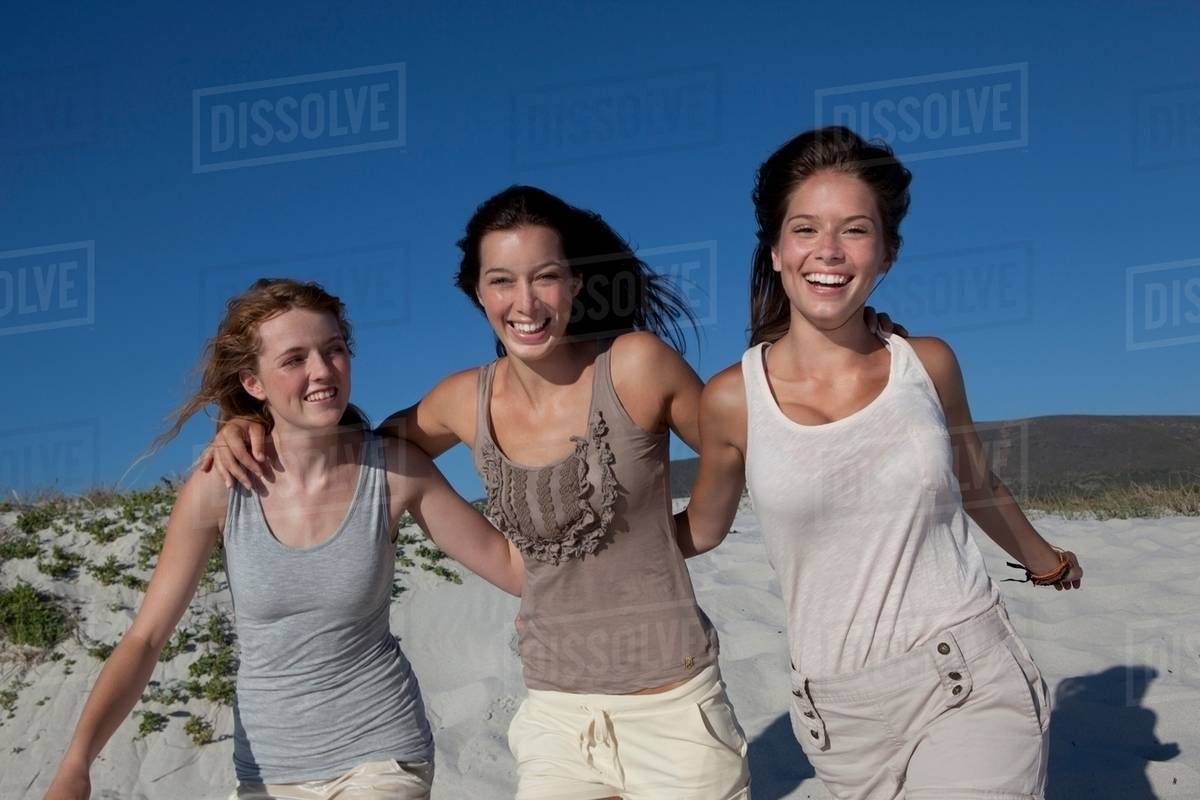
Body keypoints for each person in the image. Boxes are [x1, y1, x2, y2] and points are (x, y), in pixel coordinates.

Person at [205, 187, 754, 799]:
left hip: (674, 706)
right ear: (477, 293)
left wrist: (695, 531)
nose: (525, 302)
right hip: (556, 714)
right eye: (501, 281)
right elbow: (357, 450)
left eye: (546, 277)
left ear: (575, 284)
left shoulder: (635, 365)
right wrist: (250, 423)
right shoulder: (463, 401)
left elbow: (735, 445)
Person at [675, 127, 1083, 800]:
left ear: (887, 253)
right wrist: (584, 563)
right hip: (837, 718)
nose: (828, 251)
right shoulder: (731, 398)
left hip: (965, 677)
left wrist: (1048, 562)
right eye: (805, 228)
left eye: (855, 230)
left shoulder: (927, 364)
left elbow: (977, 484)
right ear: (776, 250)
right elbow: (704, 527)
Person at [45, 279, 523, 800]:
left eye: (334, 350)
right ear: (254, 382)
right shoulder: (218, 488)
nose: (322, 371)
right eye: (294, 359)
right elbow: (146, 638)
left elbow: (509, 564)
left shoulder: (393, 471)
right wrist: (77, 763)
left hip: (380, 752)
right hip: (266, 771)